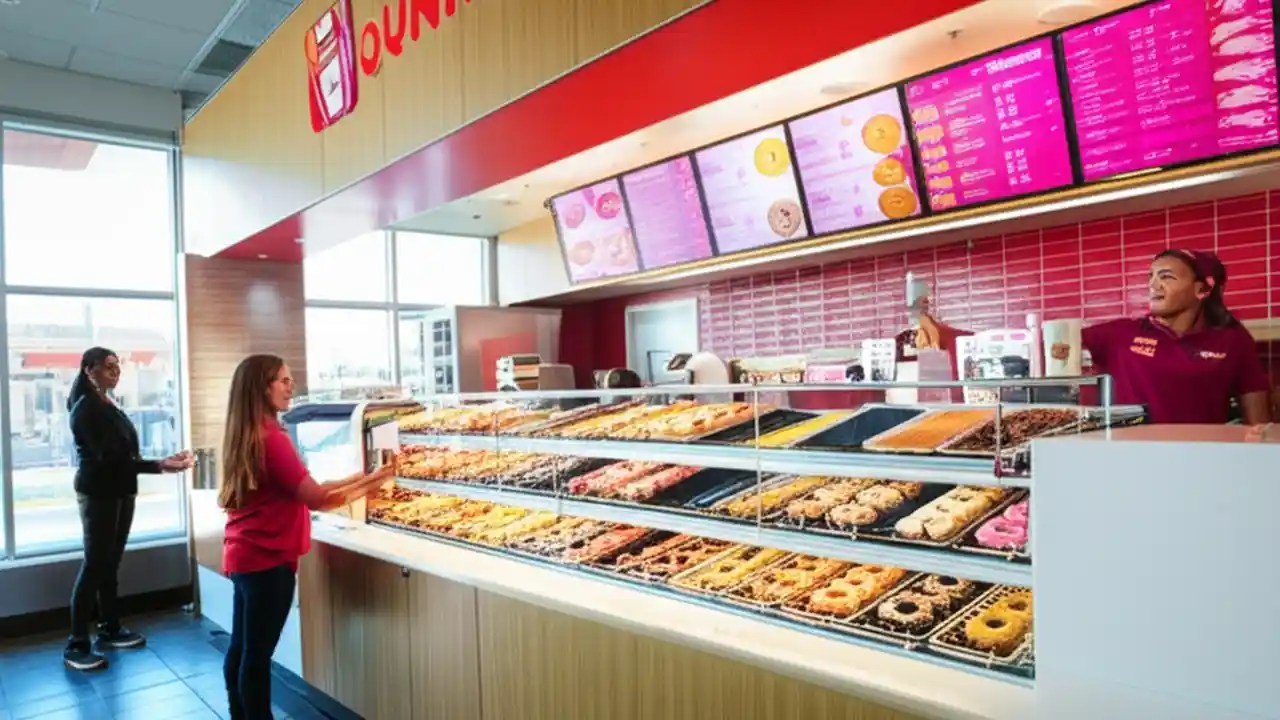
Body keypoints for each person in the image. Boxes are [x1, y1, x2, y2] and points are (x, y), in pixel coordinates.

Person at [219, 354, 394, 720]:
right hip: (268, 561)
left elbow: (309, 488)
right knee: (256, 656)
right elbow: (318, 498)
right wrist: (371, 484)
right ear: (262, 387)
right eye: (282, 380)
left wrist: (368, 477)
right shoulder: (273, 440)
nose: (290, 386)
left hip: (244, 556)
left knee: (241, 649)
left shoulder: (246, 433)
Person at [929, 249, 1272, 425]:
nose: (1153, 285)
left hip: (1202, 462)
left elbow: (1259, 419)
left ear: (1201, 290)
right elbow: (1036, 347)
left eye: (1166, 276)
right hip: (1126, 460)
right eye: (1151, 276)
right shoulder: (1121, 334)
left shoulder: (1231, 339)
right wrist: (948, 335)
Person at [63, 347, 194, 671]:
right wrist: (159, 466)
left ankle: (109, 628)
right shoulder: (85, 408)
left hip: (119, 491)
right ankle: (77, 644)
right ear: (88, 369)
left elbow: (122, 454)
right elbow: (110, 458)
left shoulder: (107, 403)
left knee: (110, 563)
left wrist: (161, 463)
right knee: (95, 565)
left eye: (117, 366)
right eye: (108, 367)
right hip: (99, 494)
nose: (115, 371)